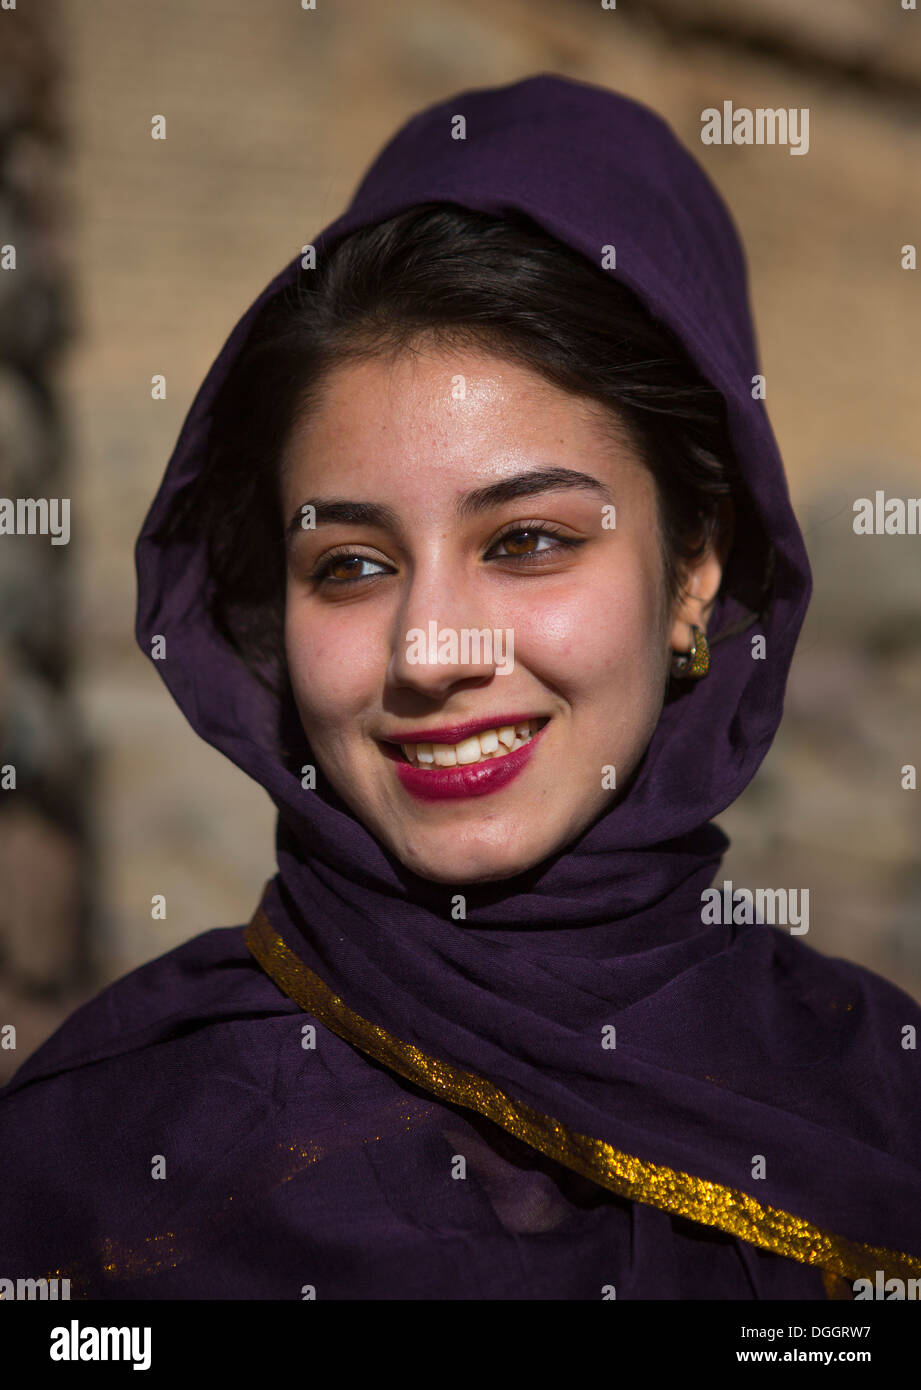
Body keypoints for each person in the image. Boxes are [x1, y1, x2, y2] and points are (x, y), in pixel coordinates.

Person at [2, 73, 919, 1301]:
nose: (430, 652)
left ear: (695, 563)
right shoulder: (98, 1164)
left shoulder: (881, 1103)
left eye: (529, 541)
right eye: (353, 566)